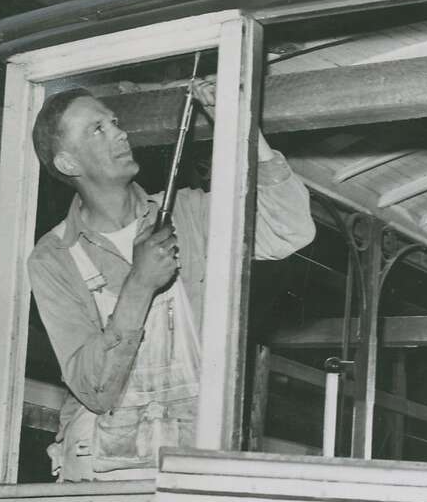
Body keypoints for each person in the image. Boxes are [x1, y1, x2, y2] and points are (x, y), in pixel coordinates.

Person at [28, 80, 315, 480]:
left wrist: (241, 124)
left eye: (114, 121)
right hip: (102, 475)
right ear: (68, 164)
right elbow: (94, 389)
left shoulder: (189, 213)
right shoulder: (54, 256)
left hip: (195, 462)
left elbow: (291, 230)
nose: (120, 131)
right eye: (98, 129)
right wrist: (140, 285)